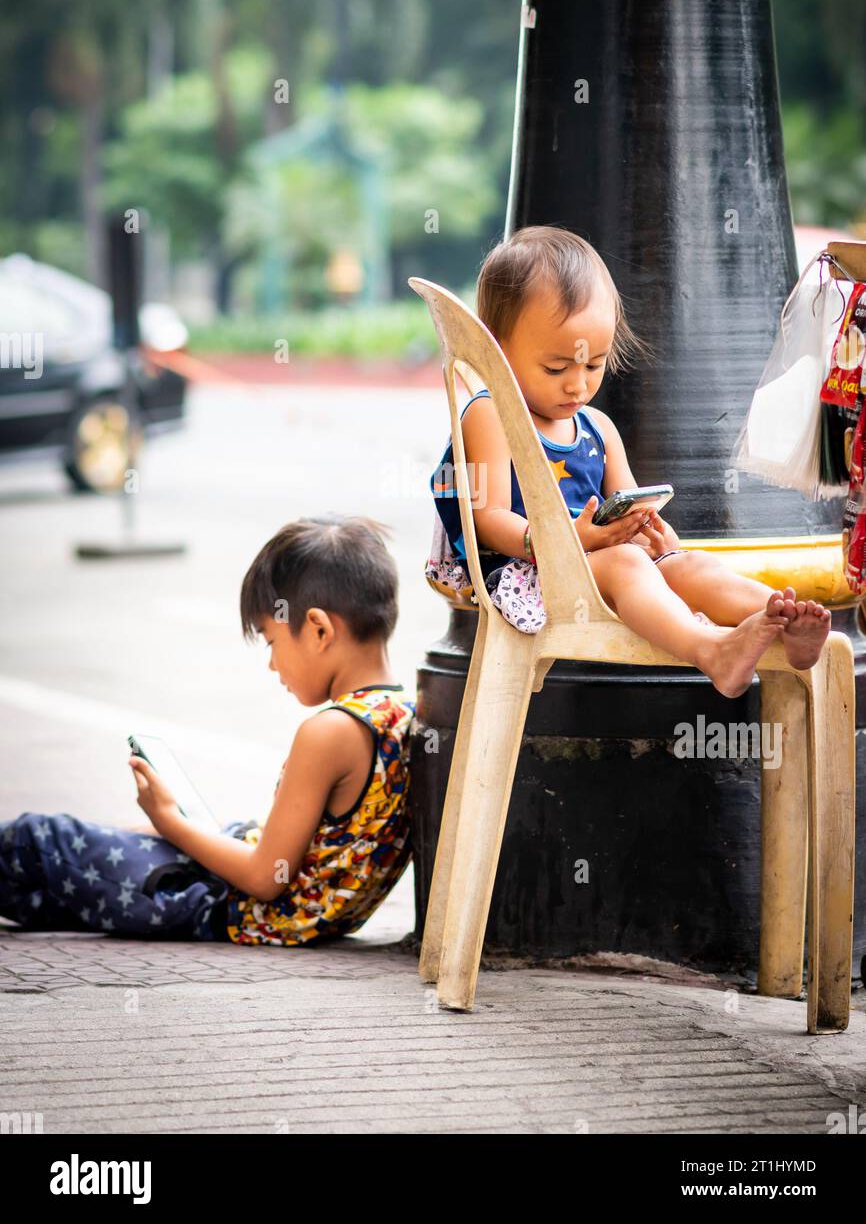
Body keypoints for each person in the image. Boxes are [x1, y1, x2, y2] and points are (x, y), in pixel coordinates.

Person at [425, 225, 832, 699]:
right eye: (556, 368)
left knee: (689, 565)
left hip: (607, 568)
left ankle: (785, 621)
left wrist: (653, 534)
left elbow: (628, 508)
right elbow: (487, 519)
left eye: (593, 364)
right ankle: (711, 651)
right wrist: (559, 540)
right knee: (624, 564)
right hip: (525, 576)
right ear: (495, 346)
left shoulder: (598, 428)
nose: (577, 385)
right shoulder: (489, 412)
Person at [1, 515, 415, 945]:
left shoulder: (330, 732)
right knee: (54, 873)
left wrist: (167, 821)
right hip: (236, 886)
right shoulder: (403, 715)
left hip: (216, 901)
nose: (272, 664)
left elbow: (264, 877)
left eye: (271, 642)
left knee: (35, 840)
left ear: (318, 629)